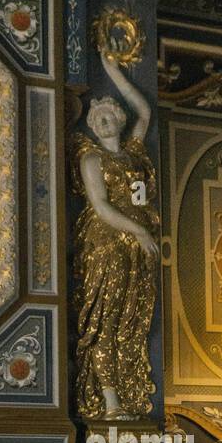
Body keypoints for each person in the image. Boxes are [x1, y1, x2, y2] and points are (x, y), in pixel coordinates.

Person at [72, 51, 159, 421]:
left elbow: (145, 112)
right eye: (97, 119)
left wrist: (113, 71)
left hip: (139, 245)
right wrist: (139, 230)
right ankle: (110, 403)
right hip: (108, 242)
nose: (103, 121)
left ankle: (125, 393)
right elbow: (101, 206)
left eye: (108, 115)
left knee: (132, 320)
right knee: (106, 317)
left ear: (120, 120)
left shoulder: (133, 152)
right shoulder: (92, 160)